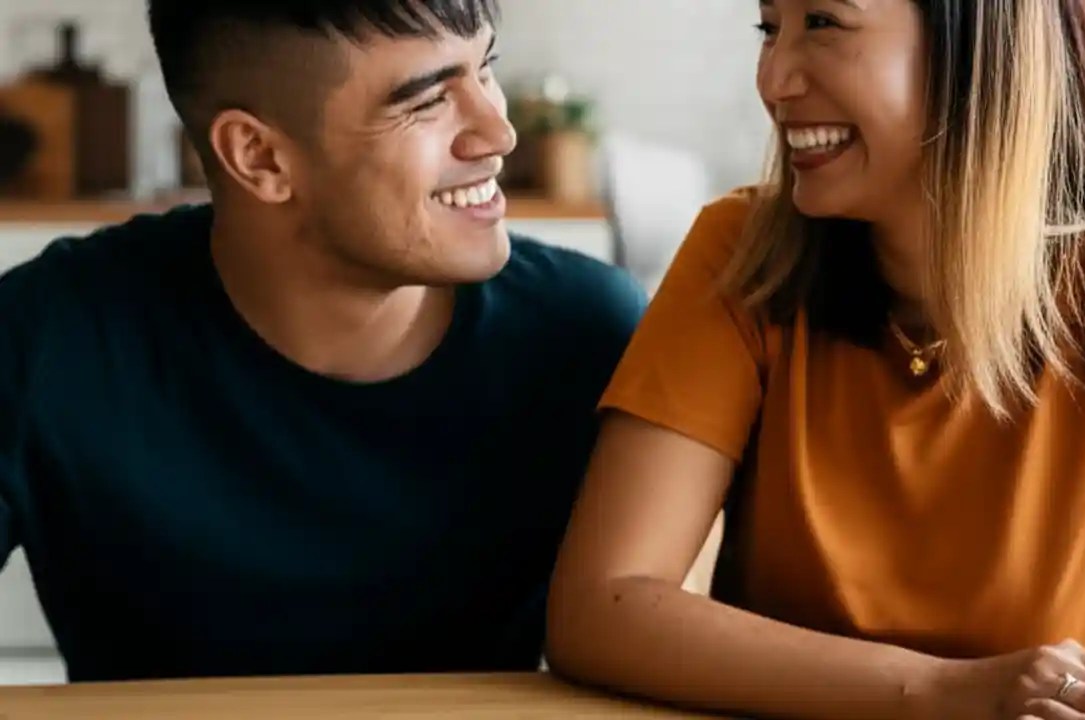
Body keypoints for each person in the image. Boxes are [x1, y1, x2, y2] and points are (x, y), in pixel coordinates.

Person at [545, 1, 1085, 718]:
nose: (773, 79)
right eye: (769, 29)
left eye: (823, 23)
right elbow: (600, 605)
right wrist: (946, 692)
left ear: (974, 49)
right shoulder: (741, 257)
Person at [0, 0, 645, 682]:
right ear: (260, 156)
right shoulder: (47, 337)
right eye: (426, 101)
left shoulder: (587, 335)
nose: (499, 130)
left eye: (484, 69)